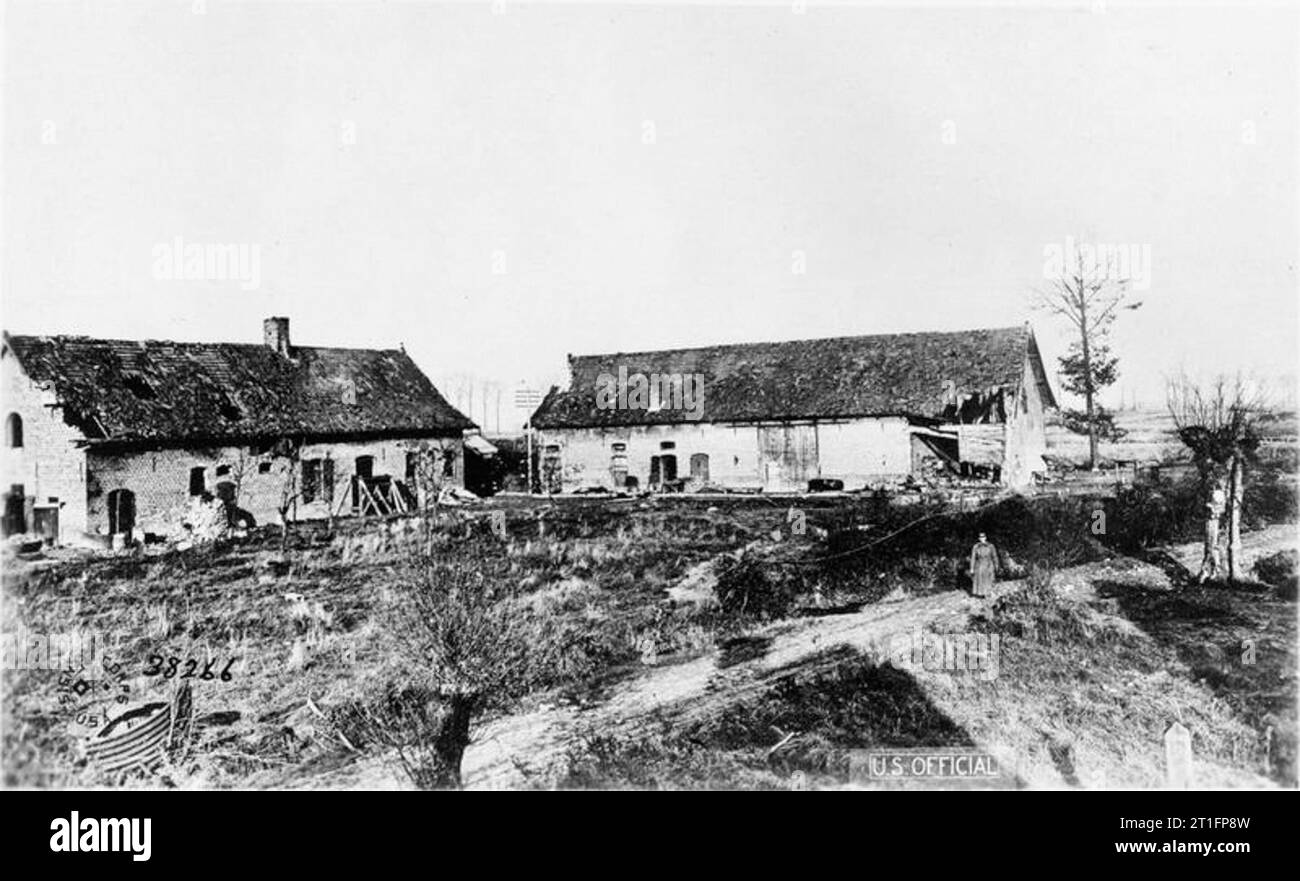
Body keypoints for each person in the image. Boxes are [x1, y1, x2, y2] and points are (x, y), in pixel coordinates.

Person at [969, 532, 998, 598]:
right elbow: (973, 557)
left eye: (983, 537)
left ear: (986, 538)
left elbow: (994, 556)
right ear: (979, 538)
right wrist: (972, 568)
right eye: (980, 538)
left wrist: (996, 565)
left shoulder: (991, 546)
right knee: (980, 579)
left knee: (989, 579)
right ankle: (981, 593)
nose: (982, 539)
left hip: (988, 564)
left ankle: (988, 593)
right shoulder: (976, 547)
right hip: (979, 564)